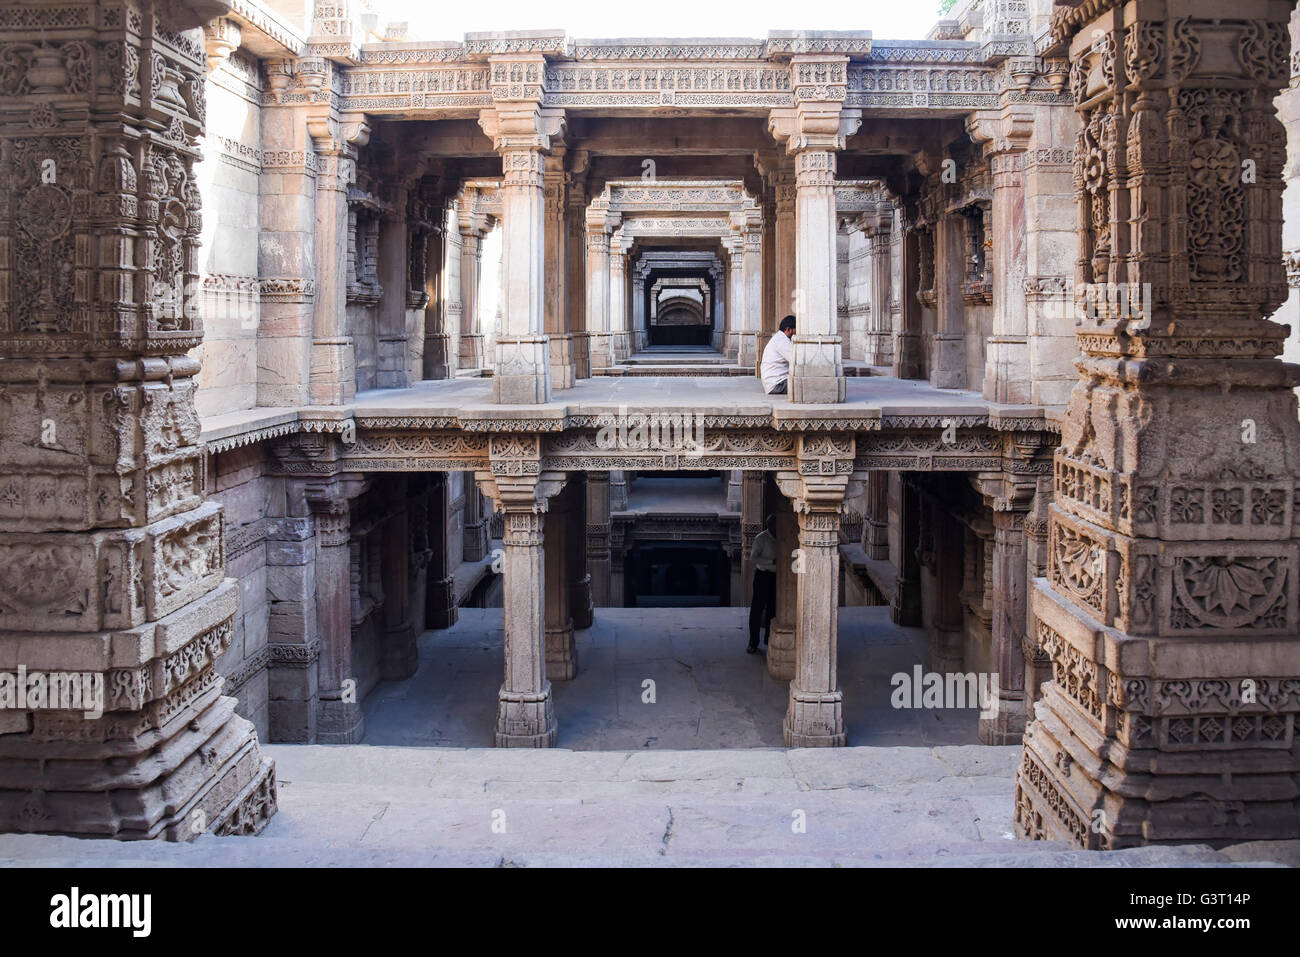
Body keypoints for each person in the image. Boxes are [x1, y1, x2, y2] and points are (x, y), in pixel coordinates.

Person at [747, 513, 778, 654]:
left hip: (776, 577)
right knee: (757, 610)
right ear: (770, 525)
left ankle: (769, 639)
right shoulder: (761, 539)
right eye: (775, 524)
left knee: (773, 609)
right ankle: (753, 642)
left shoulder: (783, 538)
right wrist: (771, 562)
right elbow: (753, 558)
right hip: (762, 576)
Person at [760, 315, 796, 394]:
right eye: (795, 330)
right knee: (806, 385)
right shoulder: (782, 341)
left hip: (773, 382)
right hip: (777, 384)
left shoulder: (779, 337)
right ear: (788, 329)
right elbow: (796, 361)